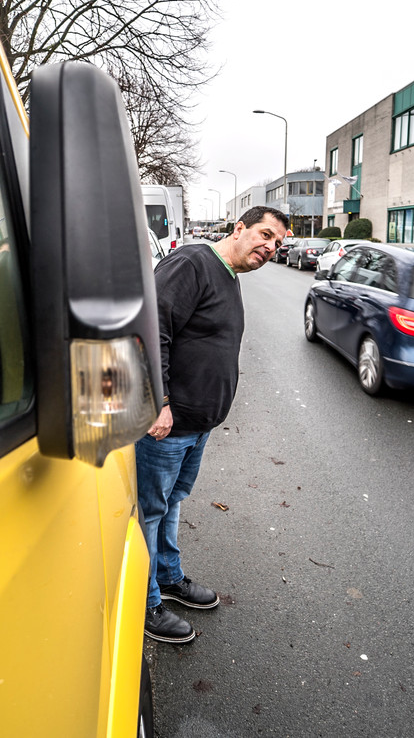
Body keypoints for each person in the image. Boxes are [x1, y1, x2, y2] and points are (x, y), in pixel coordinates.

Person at [136, 205, 289, 643]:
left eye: (278, 243)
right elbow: (152, 330)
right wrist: (159, 401)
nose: (270, 247)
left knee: (170, 504)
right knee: (148, 514)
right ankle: (146, 605)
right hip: (167, 424)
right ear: (238, 228)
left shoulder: (228, 274)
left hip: (196, 425)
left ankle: (167, 576)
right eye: (264, 234)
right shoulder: (193, 263)